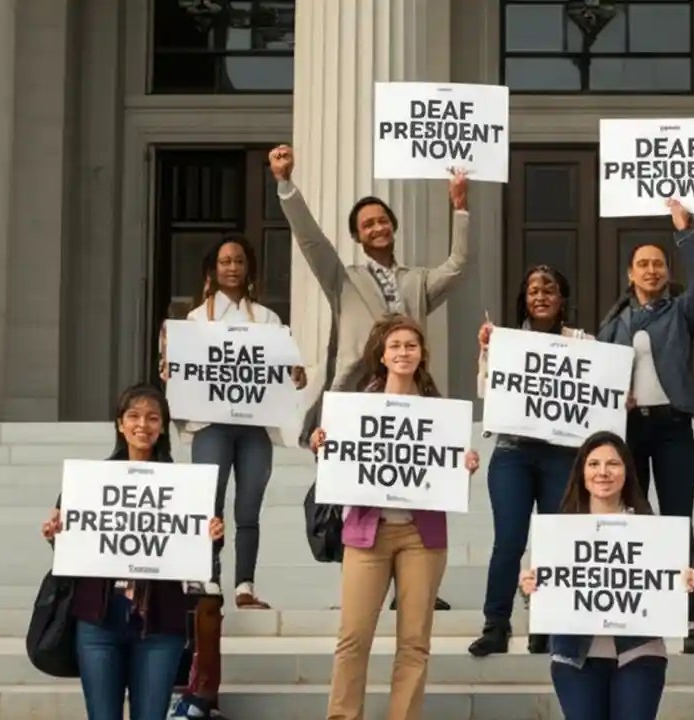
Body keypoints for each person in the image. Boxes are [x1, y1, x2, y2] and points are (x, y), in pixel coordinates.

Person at [270, 143, 468, 611]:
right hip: (356, 397)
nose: (377, 227)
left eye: (382, 220)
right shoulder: (344, 279)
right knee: (353, 493)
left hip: (409, 396)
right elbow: (311, 241)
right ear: (358, 238)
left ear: (393, 227)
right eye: (367, 225)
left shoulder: (417, 281)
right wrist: (285, 183)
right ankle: (359, 584)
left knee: (412, 486)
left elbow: (458, 266)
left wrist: (459, 207)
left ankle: (414, 587)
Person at [597, 177, 694, 654]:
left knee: (678, 520)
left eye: (658, 264)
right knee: (636, 520)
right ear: (629, 273)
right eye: (643, 264)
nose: (652, 270)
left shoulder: (682, 312)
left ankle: (692, 620)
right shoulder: (613, 323)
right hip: (629, 432)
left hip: (673, 427)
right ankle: (640, 613)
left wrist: (685, 231)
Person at [160, 236, 306, 719]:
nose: (232, 267)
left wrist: (296, 375)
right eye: (225, 260)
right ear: (212, 268)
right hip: (211, 426)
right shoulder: (193, 322)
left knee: (249, 508)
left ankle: (244, 584)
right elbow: (178, 371)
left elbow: (286, 369)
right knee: (209, 506)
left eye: (239, 260)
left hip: (253, 427)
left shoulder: (267, 321)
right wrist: (170, 368)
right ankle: (208, 578)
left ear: (249, 268)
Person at [309, 315, 481, 720]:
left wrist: (463, 464)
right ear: (382, 356)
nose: (403, 352)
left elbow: (444, 472)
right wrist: (323, 444)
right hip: (367, 535)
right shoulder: (354, 409)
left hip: (422, 538)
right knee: (353, 637)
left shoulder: (439, 413)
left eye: (411, 346)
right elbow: (341, 463)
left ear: (422, 355)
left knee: (414, 642)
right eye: (396, 346)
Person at [40, 384, 225, 720]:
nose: (143, 425)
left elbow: (202, 555)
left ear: (163, 426)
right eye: (134, 416)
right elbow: (72, 544)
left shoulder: (186, 485)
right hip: (99, 622)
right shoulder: (90, 481)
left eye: (153, 418)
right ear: (120, 423)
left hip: (161, 623)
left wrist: (212, 535)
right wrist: (56, 532)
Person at [518, 431, 694, 720]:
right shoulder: (558, 530)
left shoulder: (651, 529)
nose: (603, 472)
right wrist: (528, 587)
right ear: (582, 472)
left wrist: (681, 582)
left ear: (627, 470)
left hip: (640, 652)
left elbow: (664, 588)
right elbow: (539, 594)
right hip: (574, 657)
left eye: (613, 464)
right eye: (594, 464)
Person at [469, 265, 591, 657]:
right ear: (523, 298)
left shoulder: (582, 342)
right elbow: (486, 391)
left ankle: (547, 624)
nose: (541, 296)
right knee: (509, 540)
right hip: (513, 453)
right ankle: (496, 623)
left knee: (557, 541)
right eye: (533, 290)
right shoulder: (506, 340)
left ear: (562, 298)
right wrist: (487, 351)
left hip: (562, 454)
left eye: (549, 289)